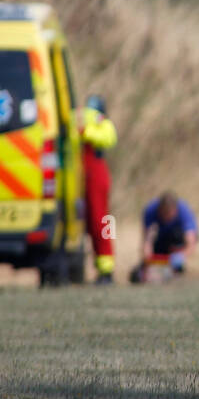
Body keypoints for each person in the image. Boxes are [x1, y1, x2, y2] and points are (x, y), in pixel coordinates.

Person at [79, 95, 117, 285]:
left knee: (100, 221)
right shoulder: (88, 119)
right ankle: (102, 268)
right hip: (82, 176)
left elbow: (109, 137)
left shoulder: (95, 121)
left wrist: (84, 131)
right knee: (93, 222)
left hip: (95, 177)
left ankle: (106, 269)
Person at [138, 191, 199, 277]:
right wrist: (148, 259)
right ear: (159, 210)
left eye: (169, 215)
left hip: (177, 242)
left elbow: (191, 243)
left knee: (177, 235)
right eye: (164, 214)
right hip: (160, 240)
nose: (166, 217)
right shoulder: (150, 211)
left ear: (176, 210)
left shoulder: (184, 211)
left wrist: (181, 256)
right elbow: (146, 241)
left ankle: (177, 270)